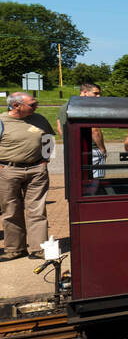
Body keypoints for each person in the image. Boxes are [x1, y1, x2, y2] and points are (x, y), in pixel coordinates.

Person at [0, 92, 56, 260]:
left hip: (36, 171)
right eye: (32, 104)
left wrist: (45, 160)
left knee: (37, 211)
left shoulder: (40, 119)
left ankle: (39, 249)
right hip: (8, 171)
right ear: (16, 106)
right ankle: (15, 249)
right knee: (11, 211)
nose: (36, 106)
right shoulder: (2, 121)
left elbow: (49, 139)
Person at [79, 83, 107, 195]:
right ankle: (94, 198)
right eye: (95, 93)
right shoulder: (88, 108)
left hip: (76, 148)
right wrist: (102, 149)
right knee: (97, 179)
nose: (98, 96)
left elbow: (60, 129)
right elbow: (94, 130)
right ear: (85, 92)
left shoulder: (66, 106)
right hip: (93, 149)